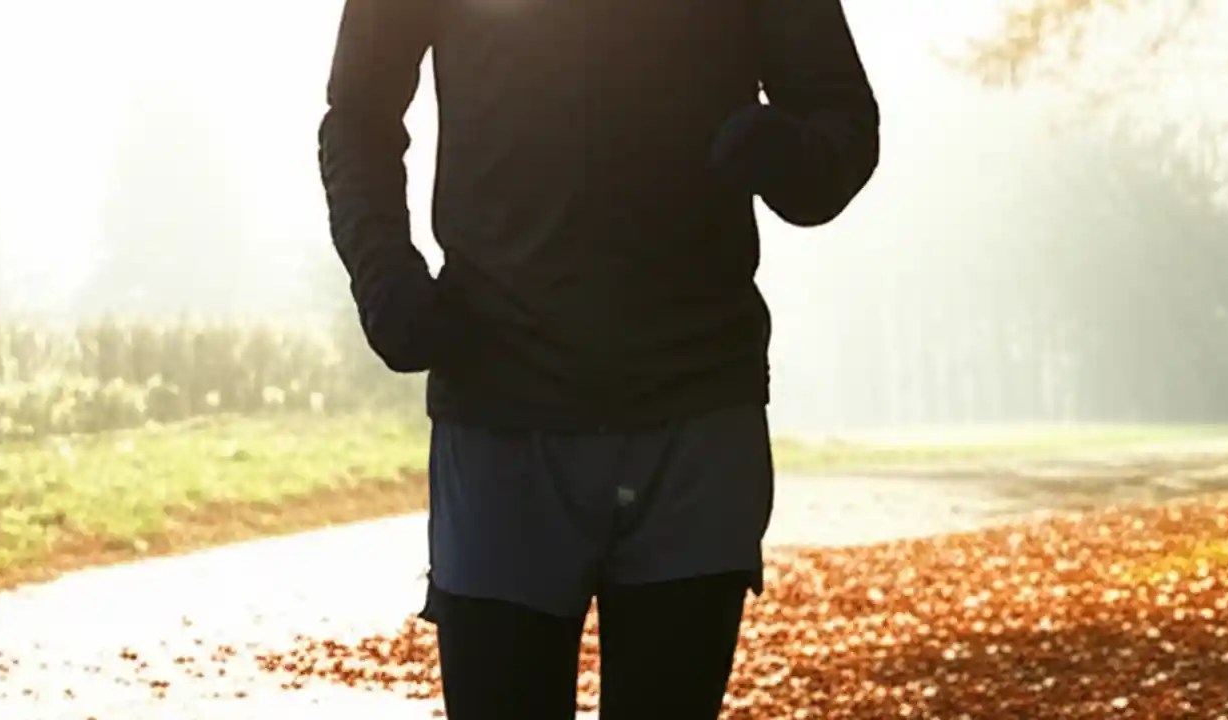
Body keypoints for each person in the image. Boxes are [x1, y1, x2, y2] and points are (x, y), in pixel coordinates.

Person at [318, 0, 879, 716]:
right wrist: (384, 275)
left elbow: (841, 114)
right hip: (502, 410)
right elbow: (357, 113)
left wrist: (795, 159)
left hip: (695, 413)